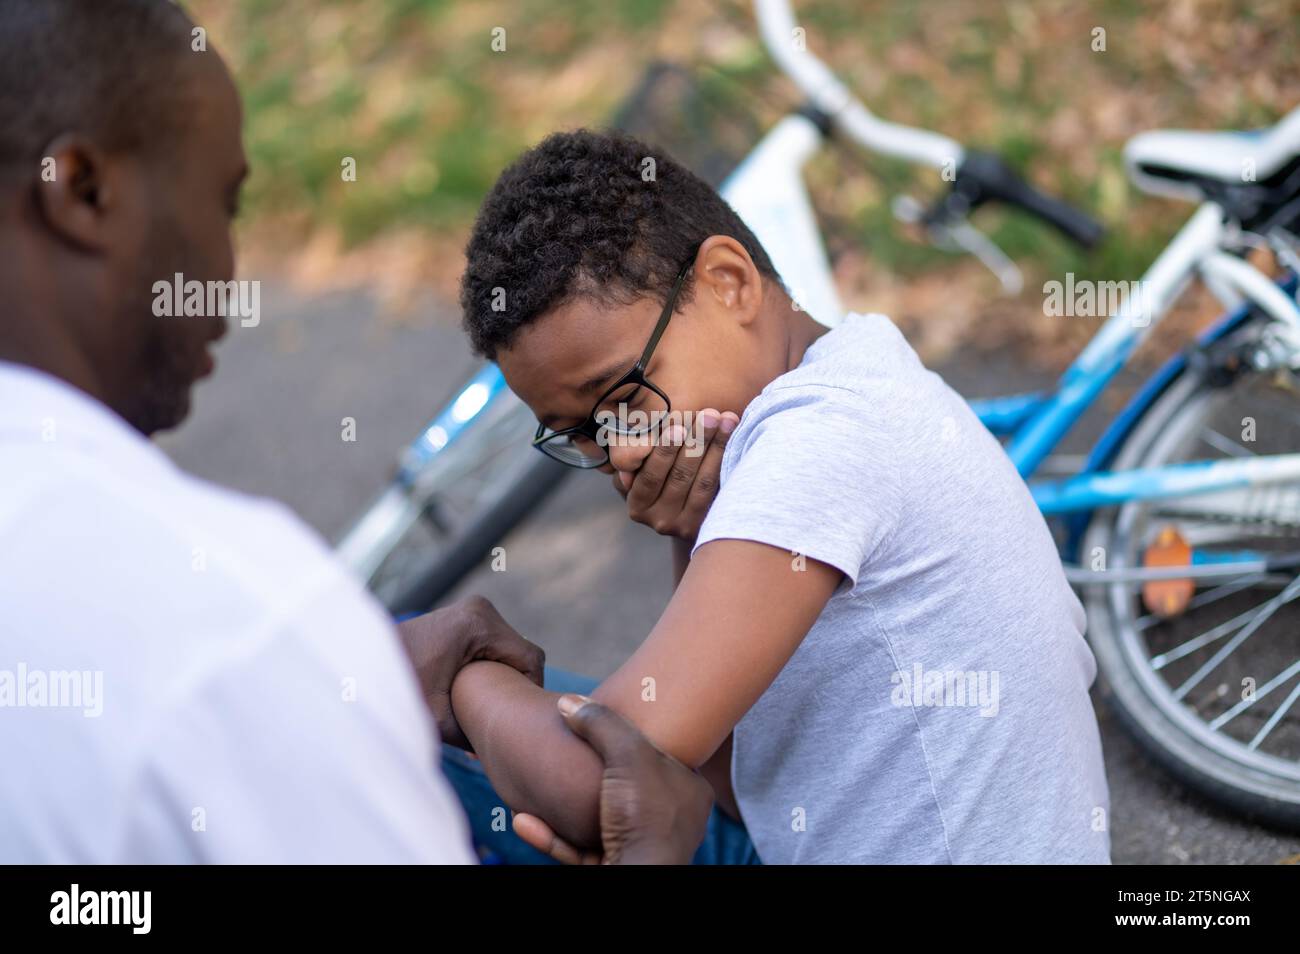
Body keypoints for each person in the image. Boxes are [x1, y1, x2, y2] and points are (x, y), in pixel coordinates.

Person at [0, 0, 710, 866]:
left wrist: (352, 663)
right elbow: (616, 785)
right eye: (221, 202)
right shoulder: (229, 618)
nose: (228, 271)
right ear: (84, 192)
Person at [447, 129, 1114, 864]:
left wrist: (458, 676)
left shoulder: (820, 442)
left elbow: (602, 789)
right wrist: (692, 527)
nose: (623, 451)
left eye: (622, 398)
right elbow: (730, 782)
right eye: (578, 434)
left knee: (420, 742)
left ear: (729, 283)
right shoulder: (857, 368)